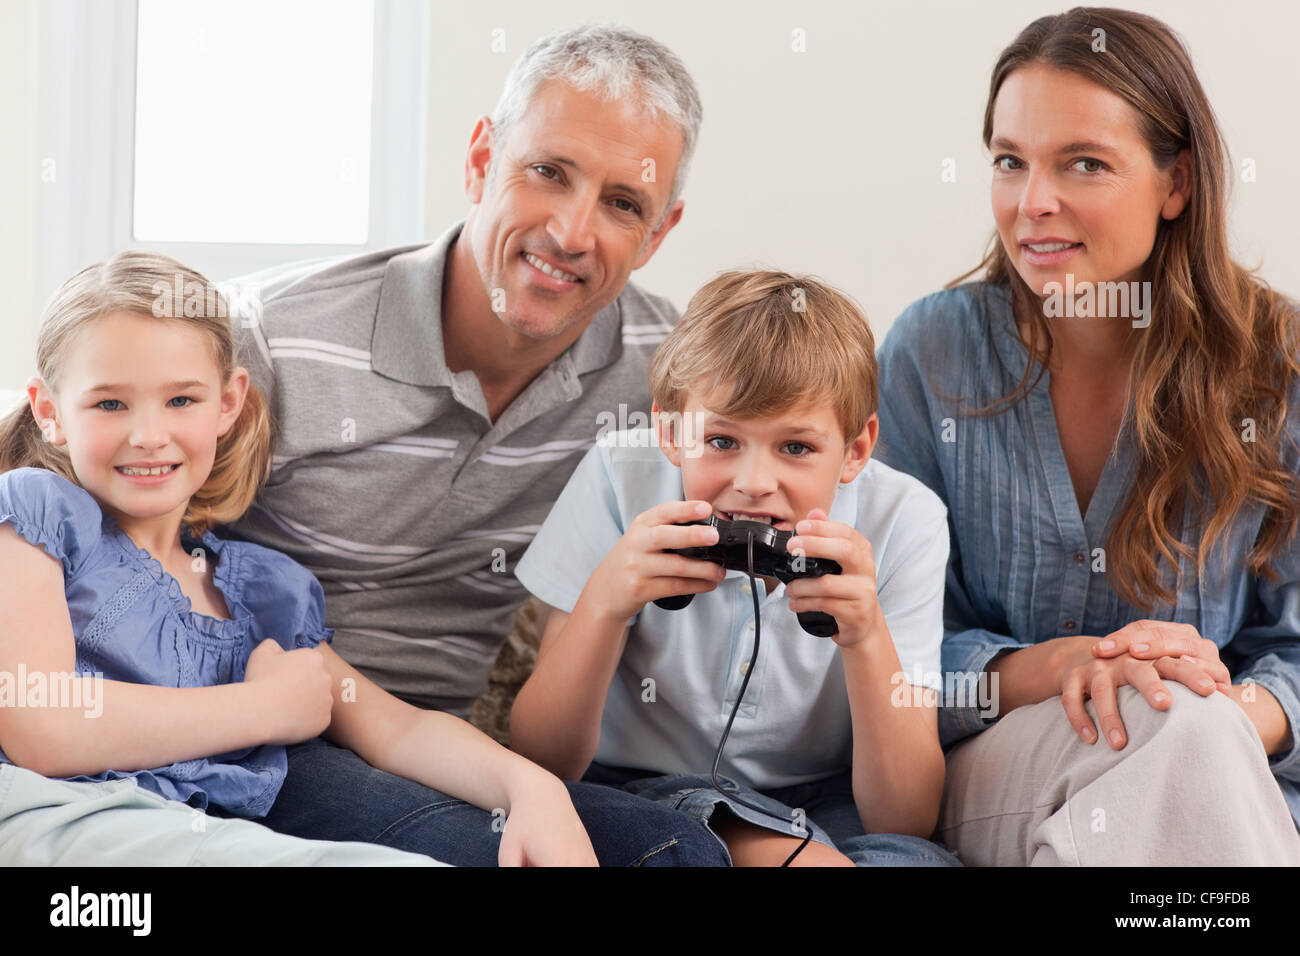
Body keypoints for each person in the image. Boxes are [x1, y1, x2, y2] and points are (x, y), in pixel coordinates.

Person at [220, 26, 726, 863]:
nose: (571, 231)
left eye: (621, 203)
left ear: (658, 233)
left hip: (458, 747)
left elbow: (799, 464)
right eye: (548, 171)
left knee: (679, 852)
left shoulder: (662, 370)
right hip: (277, 729)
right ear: (481, 157)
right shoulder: (273, 339)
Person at [0, 250, 678, 866]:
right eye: (110, 403)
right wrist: (266, 708)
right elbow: (43, 725)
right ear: (50, 411)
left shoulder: (259, 589)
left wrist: (528, 785)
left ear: (228, 403)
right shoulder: (39, 518)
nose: (149, 436)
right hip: (90, 828)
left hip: (233, 829)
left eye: (181, 399)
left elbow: (395, 728)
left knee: (664, 848)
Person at [874, 7, 1300, 865]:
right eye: (1009, 162)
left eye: (1084, 164)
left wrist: (1214, 711)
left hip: (1226, 762)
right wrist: (1056, 667)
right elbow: (891, 650)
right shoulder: (933, 352)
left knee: (1178, 732)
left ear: (1176, 183)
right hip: (1005, 769)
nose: (1033, 204)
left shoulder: (1275, 368)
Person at [509, 270, 961, 866]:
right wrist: (605, 604)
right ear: (670, 432)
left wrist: (866, 636)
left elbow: (903, 818)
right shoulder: (620, 477)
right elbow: (541, 761)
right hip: (631, 784)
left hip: (823, 795)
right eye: (721, 441)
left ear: (855, 450)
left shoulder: (906, 520)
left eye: (796, 448)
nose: (752, 484)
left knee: (918, 861)